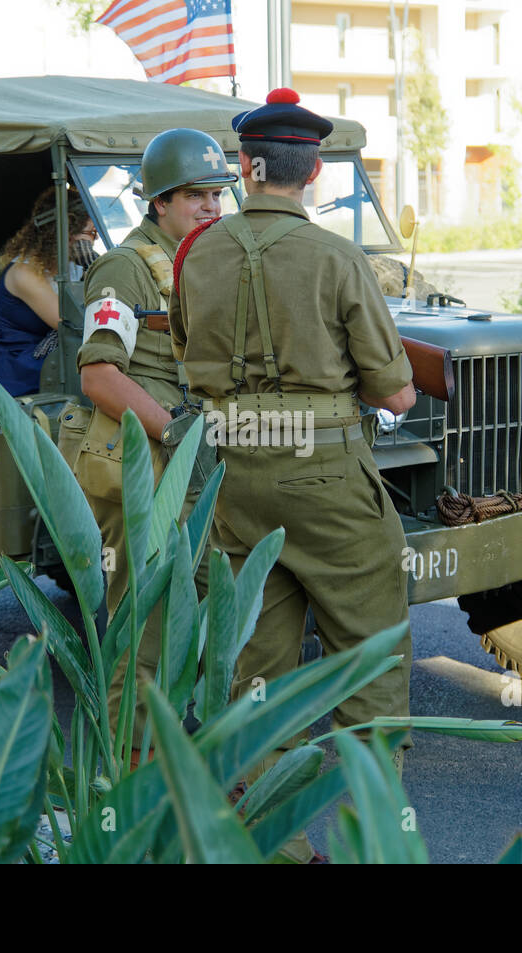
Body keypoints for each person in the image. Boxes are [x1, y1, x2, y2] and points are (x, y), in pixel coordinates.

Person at [169, 88, 415, 862]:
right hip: (328, 478)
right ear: (310, 175)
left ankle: (276, 847)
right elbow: (396, 391)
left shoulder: (194, 252)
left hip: (234, 473)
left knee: (253, 668)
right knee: (369, 660)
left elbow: (185, 361)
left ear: (246, 167)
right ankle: (375, 835)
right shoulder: (340, 257)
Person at [57, 128, 236, 756]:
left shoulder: (211, 260)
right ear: (157, 201)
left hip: (203, 470)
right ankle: (129, 781)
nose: (212, 207)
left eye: (218, 194)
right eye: (195, 196)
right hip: (150, 473)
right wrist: (175, 430)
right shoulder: (126, 269)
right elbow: (98, 375)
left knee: (212, 621)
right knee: (146, 635)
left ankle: (191, 771)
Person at [0, 189, 96, 399]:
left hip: (54, 355)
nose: (94, 241)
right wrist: (92, 264)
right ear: (65, 230)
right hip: (18, 365)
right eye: (91, 233)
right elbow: (72, 324)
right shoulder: (24, 272)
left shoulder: (72, 265)